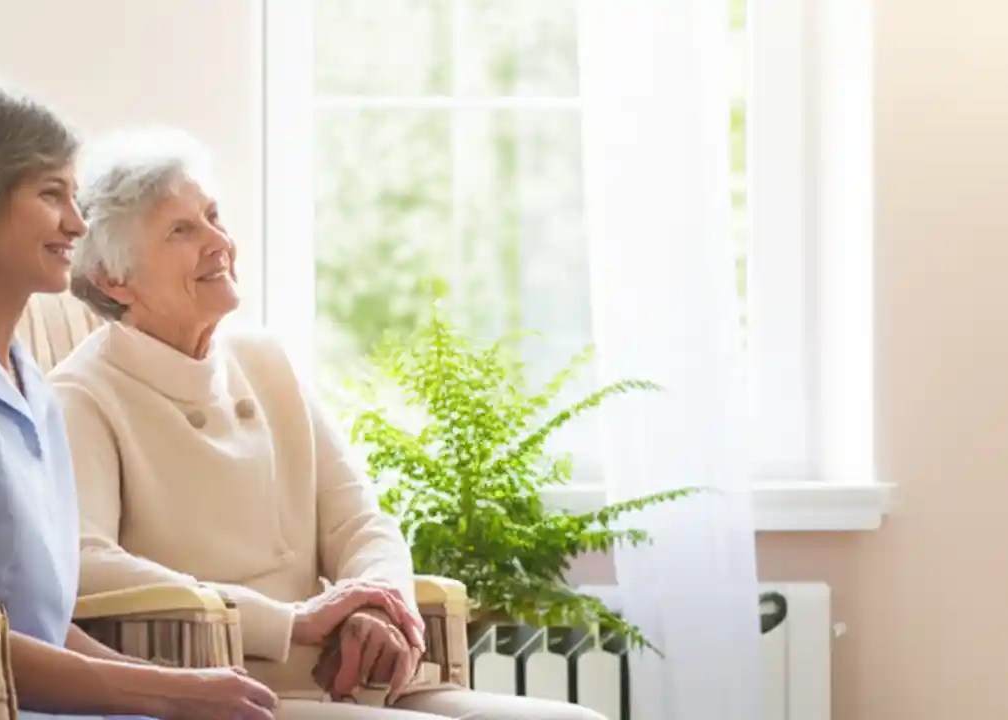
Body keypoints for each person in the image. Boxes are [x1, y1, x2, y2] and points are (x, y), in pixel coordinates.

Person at [50, 126, 607, 720]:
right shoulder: (83, 395)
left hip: (346, 677)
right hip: (232, 690)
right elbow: (83, 562)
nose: (218, 241)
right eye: (181, 231)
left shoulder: (264, 361)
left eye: (213, 216)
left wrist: (376, 604)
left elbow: (359, 517)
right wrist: (287, 622)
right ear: (115, 278)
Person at [0, 74, 279, 720]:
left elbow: (37, 627)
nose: (77, 222)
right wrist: (173, 693)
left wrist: (179, 688)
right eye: (50, 194)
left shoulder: (27, 380)